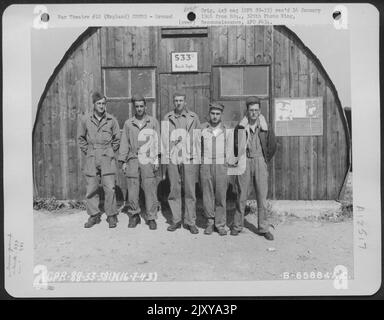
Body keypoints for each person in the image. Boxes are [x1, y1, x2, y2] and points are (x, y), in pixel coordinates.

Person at [232, 96, 276, 240]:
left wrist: (264, 159)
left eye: (256, 110)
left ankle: (263, 228)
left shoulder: (265, 127)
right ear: (247, 111)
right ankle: (237, 226)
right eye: (251, 110)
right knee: (241, 195)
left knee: (262, 197)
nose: (253, 113)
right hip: (245, 161)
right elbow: (235, 145)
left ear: (260, 111)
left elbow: (272, 145)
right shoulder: (240, 126)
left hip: (260, 161)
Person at [78, 92, 121, 228]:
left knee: (110, 187)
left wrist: (108, 151)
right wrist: (89, 151)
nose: (101, 106)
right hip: (92, 155)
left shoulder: (111, 120)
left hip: (107, 156)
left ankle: (111, 215)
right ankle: (94, 215)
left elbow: (117, 139)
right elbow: (80, 139)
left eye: (103, 103)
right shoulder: (85, 120)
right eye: (99, 103)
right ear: (94, 104)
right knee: (92, 187)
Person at [118, 94, 160, 230]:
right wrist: (123, 161)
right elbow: (124, 143)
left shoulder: (153, 122)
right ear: (134, 108)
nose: (140, 109)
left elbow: (157, 142)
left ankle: (151, 217)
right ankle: (134, 215)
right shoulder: (128, 123)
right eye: (137, 106)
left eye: (142, 106)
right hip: (133, 158)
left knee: (150, 189)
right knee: (133, 188)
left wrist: (156, 159)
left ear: (145, 106)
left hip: (148, 158)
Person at [162, 92, 200, 234]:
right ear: (173, 102)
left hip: (189, 157)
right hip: (173, 157)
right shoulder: (167, 117)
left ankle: (190, 221)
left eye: (181, 100)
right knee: (174, 189)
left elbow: (197, 139)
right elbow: (164, 140)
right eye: (176, 100)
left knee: (190, 190)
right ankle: (176, 220)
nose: (178, 103)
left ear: (185, 102)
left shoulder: (193, 117)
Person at [199, 102, 231, 236]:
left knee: (220, 195)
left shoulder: (226, 130)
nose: (215, 116)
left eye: (218, 114)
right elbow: (197, 147)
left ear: (221, 115)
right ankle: (210, 222)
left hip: (221, 164)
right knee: (207, 195)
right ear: (209, 114)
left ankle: (220, 224)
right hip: (206, 164)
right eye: (213, 113)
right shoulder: (202, 129)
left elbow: (230, 150)